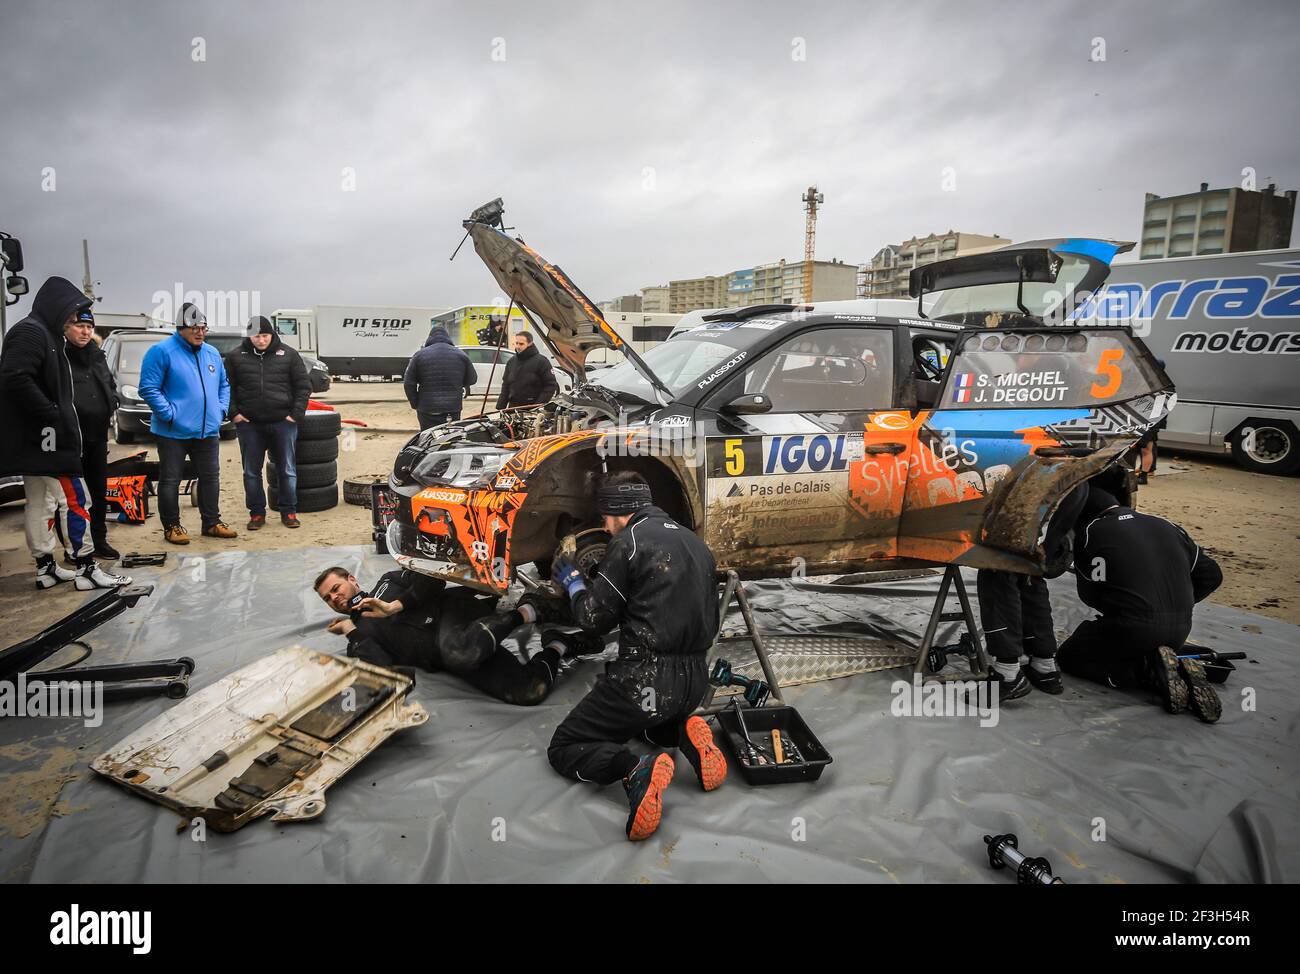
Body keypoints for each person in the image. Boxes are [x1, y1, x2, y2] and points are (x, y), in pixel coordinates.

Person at [547, 471, 728, 842]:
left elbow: (593, 620)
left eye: (605, 517)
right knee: (648, 721)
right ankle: (684, 733)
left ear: (619, 510)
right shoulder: (697, 544)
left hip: (643, 681)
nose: (604, 526)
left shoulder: (628, 542)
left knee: (564, 746)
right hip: (694, 683)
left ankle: (635, 769)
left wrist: (575, 583)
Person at [0, 277, 131, 590]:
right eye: (73, 315)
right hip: (49, 439)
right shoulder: (32, 332)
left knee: (40, 502)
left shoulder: (44, 334)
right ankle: (86, 568)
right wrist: (52, 414)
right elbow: (14, 377)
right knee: (76, 499)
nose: (76, 322)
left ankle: (45, 567)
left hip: (40, 439)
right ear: (56, 307)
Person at [314, 566, 600, 705]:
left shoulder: (387, 582)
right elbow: (383, 670)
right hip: (451, 653)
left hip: (454, 613)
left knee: (458, 649)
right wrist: (351, 631)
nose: (334, 598)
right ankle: (559, 644)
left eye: (336, 588)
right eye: (328, 598)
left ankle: (530, 610)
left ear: (352, 580)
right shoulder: (360, 633)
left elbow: (432, 578)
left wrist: (395, 605)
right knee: (528, 692)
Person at [1057, 487, 1224, 722]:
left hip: (1131, 628)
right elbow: (1213, 575)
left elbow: (1089, 594)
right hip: (1180, 630)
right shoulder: (1166, 525)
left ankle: (1145, 673)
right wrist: (1178, 602)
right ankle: (1179, 670)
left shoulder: (1090, 531)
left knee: (1069, 657)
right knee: (1122, 638)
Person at [138, 302, 237, 544]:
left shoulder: (211, 353)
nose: (200, 333)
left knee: (210, 477)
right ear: (180, 328)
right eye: (195, 328)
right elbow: (148, 388)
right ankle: (172, 526)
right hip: (172, 432)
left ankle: (211, 522)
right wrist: (170, 414)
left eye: (203, 328)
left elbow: (224, 385)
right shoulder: (161, 351)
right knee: (171, 479)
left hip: (207, 430)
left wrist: (220, 410)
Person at [224, 316, 310, 530]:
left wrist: (295, 414)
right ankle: (256, 514)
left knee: (287, 470)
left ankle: (289, 511)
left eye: (265, 335)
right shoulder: (235, 357)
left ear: (272, 334)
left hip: (283, 423)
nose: (261, 340)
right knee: (251, 472)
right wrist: (234, 414)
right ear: (249, 336)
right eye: (256, 336)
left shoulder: (289, 355)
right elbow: (226, 388)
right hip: (249, 425)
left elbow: (303, 386)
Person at [64, 307, 128, 563]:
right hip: (71, 438)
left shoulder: (97, 355)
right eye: (79, 326)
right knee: (74, 498)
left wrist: (112, 401)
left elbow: (110, 384)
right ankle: (75, 548)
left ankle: (99, 541)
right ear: (66, 328)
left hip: (97, 436)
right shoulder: (59, 357)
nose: (85, 331)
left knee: (98, 492)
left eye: (89, 327)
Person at [404, 324, 477, 430]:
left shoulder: (419, 356)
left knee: (428, 437)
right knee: (451, 437)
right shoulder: (461, 355)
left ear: (429, 338)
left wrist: (415, 403)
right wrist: (457, 384)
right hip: (452, 408)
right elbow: (472, 379)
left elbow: (408, 383)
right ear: (447, 337)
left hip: (427, 409)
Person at [496, 331, 557, 411]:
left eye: (521, 344)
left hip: (532, 409)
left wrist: (537, 406)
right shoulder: (511, 361)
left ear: (530, 343)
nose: (517, 346)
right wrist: (500, 407)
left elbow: (550, 386)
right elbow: (506, 385)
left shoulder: (542, 361)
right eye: (516, 343)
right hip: (513, 408)